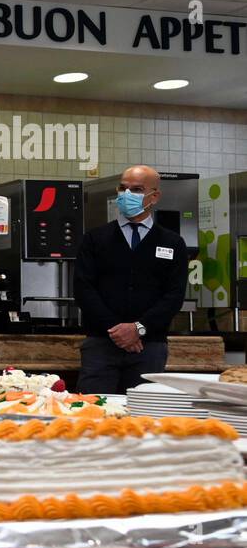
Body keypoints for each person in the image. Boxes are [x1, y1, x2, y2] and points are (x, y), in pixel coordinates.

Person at [74, 165, 189, 393]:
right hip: (101, 344)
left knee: (143, 415)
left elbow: (173, 296)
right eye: (122, 188)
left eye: (136, 190)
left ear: (154, 196)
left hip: (149, 347)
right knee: (93, 412)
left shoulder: (172, 243)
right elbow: (83, 288)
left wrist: (139, 328)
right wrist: (116, 330)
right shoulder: (95, 239)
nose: (127, 195)